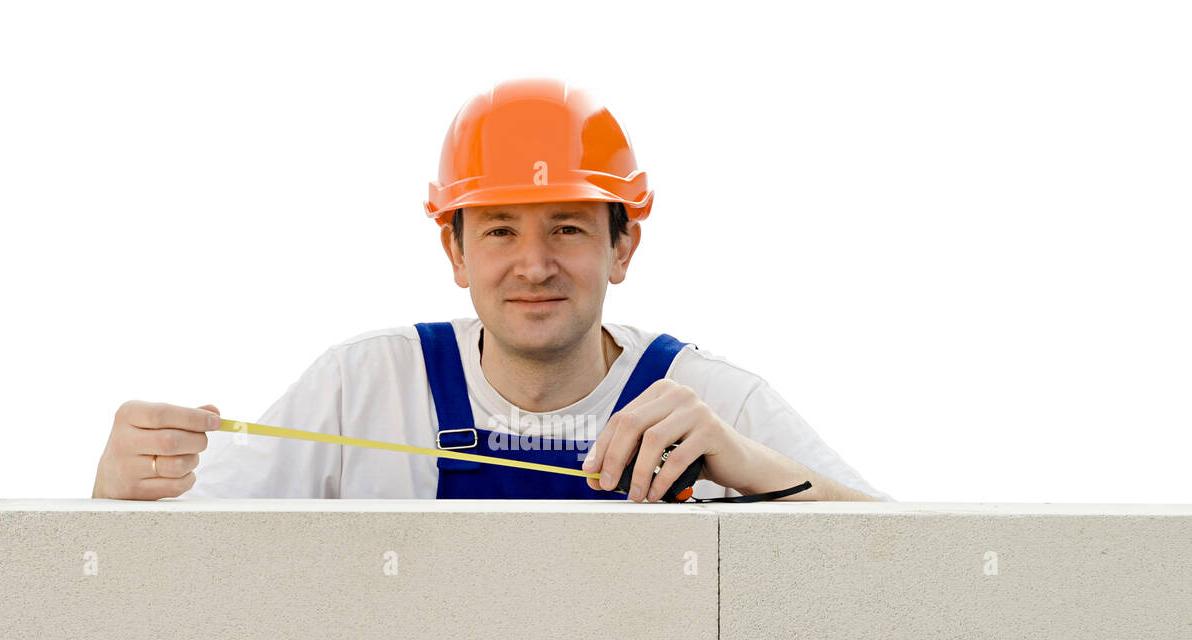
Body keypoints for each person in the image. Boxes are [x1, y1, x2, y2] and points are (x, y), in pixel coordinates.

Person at [91, 77, 892, 503]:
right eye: (501, 228)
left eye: (569, 228)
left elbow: (920, 564)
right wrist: (117, 494)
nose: (534, 264)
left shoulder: (710, 404)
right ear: (455, 249)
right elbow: (179, 553)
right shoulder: (360, 388)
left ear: (624, 247)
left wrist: (751, 468)